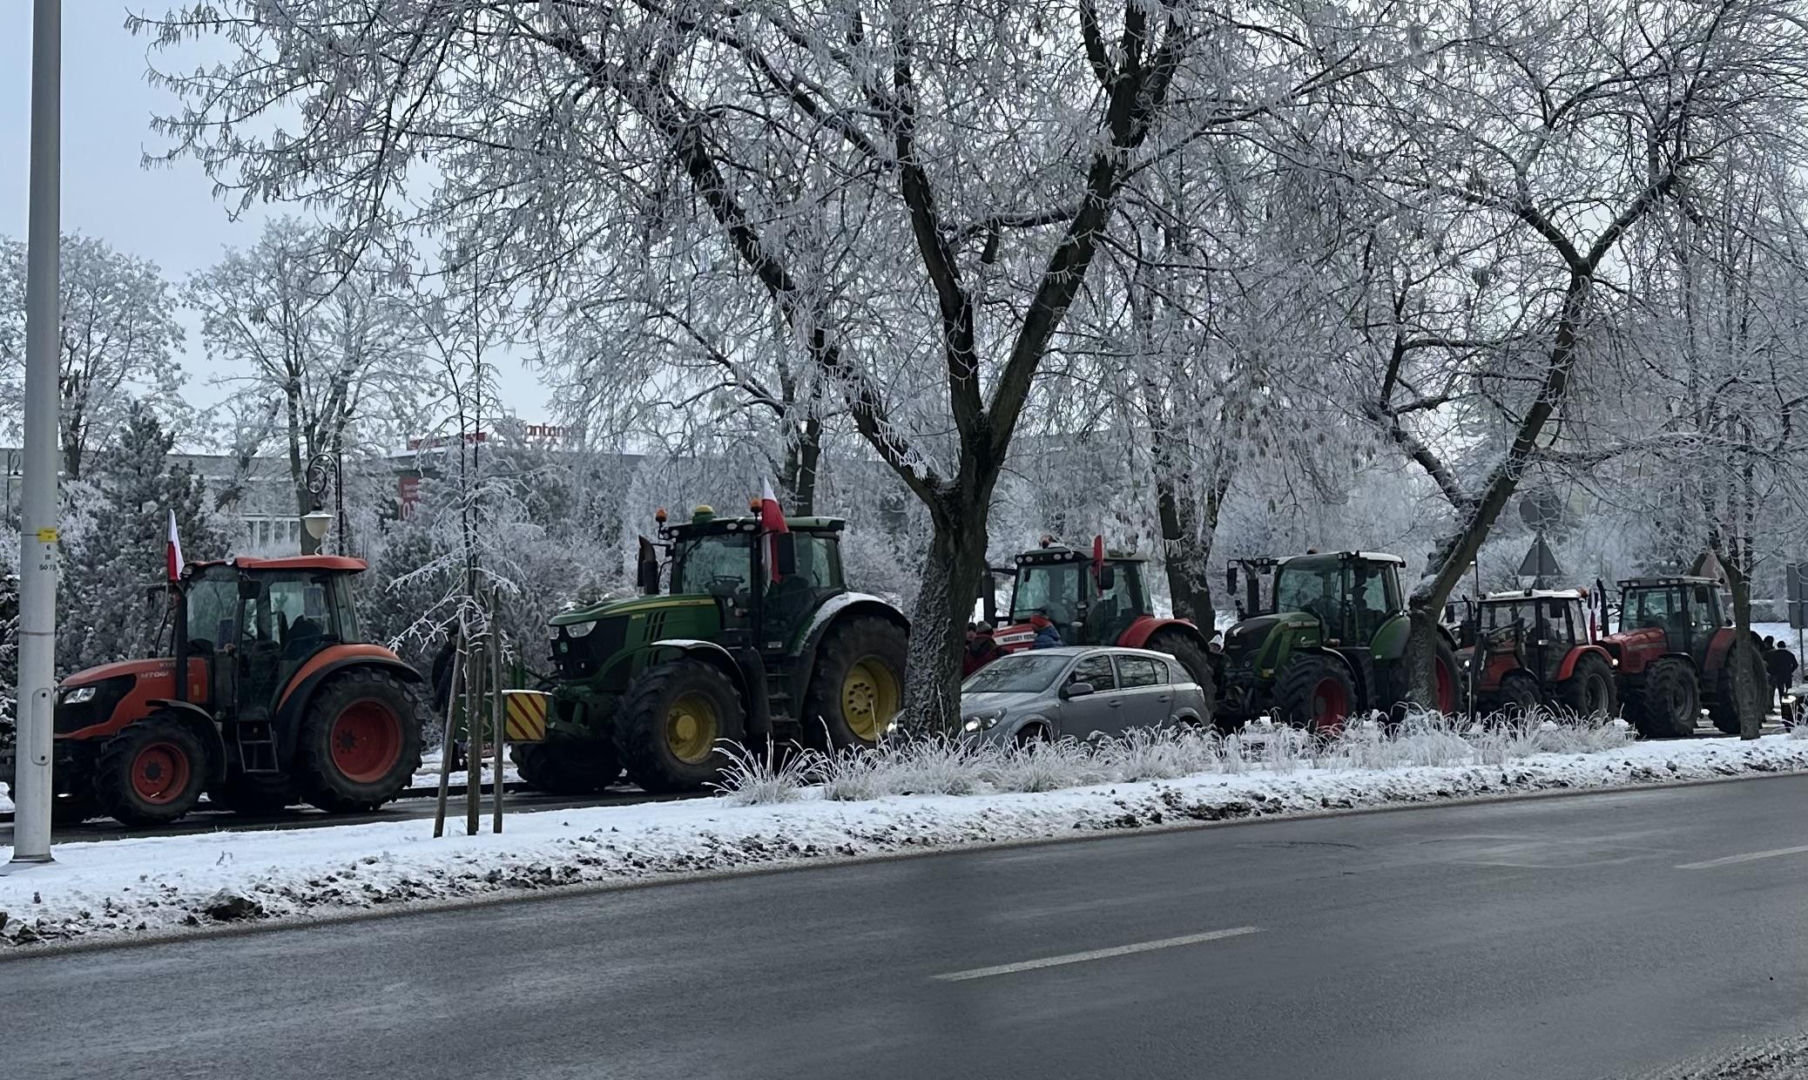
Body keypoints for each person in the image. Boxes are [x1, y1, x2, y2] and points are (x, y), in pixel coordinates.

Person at [1766, 641, 1798, 712]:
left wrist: (1772, 673)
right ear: (1785, 646)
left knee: (1781, 691)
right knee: (1789, 690)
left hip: (1778, 675)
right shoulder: (1789, 654)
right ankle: (1789, 706)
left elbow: (1770, 665)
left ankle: (1782, 705)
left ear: (1777, 646)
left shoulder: (1774, 654)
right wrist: (1790, 671)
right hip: (1788, 675)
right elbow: (1795, 665)